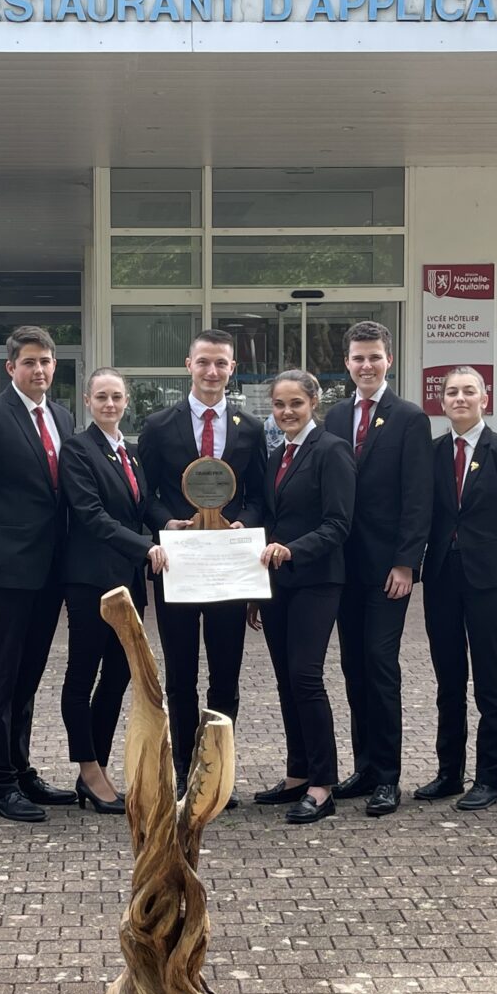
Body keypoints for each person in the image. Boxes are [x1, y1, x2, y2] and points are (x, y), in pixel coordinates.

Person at [0, 326, 78, 823]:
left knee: (29, 676)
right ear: (10, 368)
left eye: (46, 361)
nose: (39, 370)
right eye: (29, 362)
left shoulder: (63, 416)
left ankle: (21, 768)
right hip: (2, 573)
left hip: (49, 571)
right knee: (1, 677)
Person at [137, 329, 268, 796]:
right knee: (181, 673)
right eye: (204, 362)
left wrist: (243, 524)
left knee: (226, 672)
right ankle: (184, 769)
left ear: (233, 369)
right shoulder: (157, 426)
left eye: (222, 364)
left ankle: (219, 771)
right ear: (188, 364)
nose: (212, 372)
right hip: (180, 565)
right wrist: (165, 523)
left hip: (228, 568)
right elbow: (144, 494)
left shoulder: (250, 427)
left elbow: (259, 497)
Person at [322, 320, 431, 816]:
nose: (366, 366)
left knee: (381, 665)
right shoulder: (334, 416)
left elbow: (417, 497)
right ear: (347, 364)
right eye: (358, 358)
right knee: (352, 667)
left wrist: (407, 563)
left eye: (375, 357)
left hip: (389, 570)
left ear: (390, 360)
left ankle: (388, 776)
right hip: (342, 566)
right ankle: (364, 766)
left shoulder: (409, 418)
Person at [418, 366, 497, 811]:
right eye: (452, 392)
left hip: (488, 582)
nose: (460, 398)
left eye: (469, 391)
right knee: (448, 680)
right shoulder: (430, 453)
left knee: (489, 682)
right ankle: (449, 772)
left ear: (484, 399)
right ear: (442, 402)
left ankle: (490, 777)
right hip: (443, 580)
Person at [59, 368, 169, 814]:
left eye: (116, 397)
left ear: (127, 402)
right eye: (101, 396)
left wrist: (170, 527)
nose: (109, 404)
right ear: (87, 400)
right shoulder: (77, 450)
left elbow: (141, 507)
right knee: (82, 674)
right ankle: (87, 768)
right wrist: (146, 548)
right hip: (91, 582)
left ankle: (99, 765)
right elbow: (91, 514)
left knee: (120, 675)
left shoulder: (132, 452)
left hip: (127, 582)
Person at [250, 370, 355, 824]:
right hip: (278, 586)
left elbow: (338, 524)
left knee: (306, 678)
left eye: (295, 403)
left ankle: (322, 783)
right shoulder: (278, 456)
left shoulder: (332, 451)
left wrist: (292, 550)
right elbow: (274, 521)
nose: (287, 412)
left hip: (317, 581)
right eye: (279, 405)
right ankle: (297, 773)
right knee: (285, 681)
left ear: (314, 402)